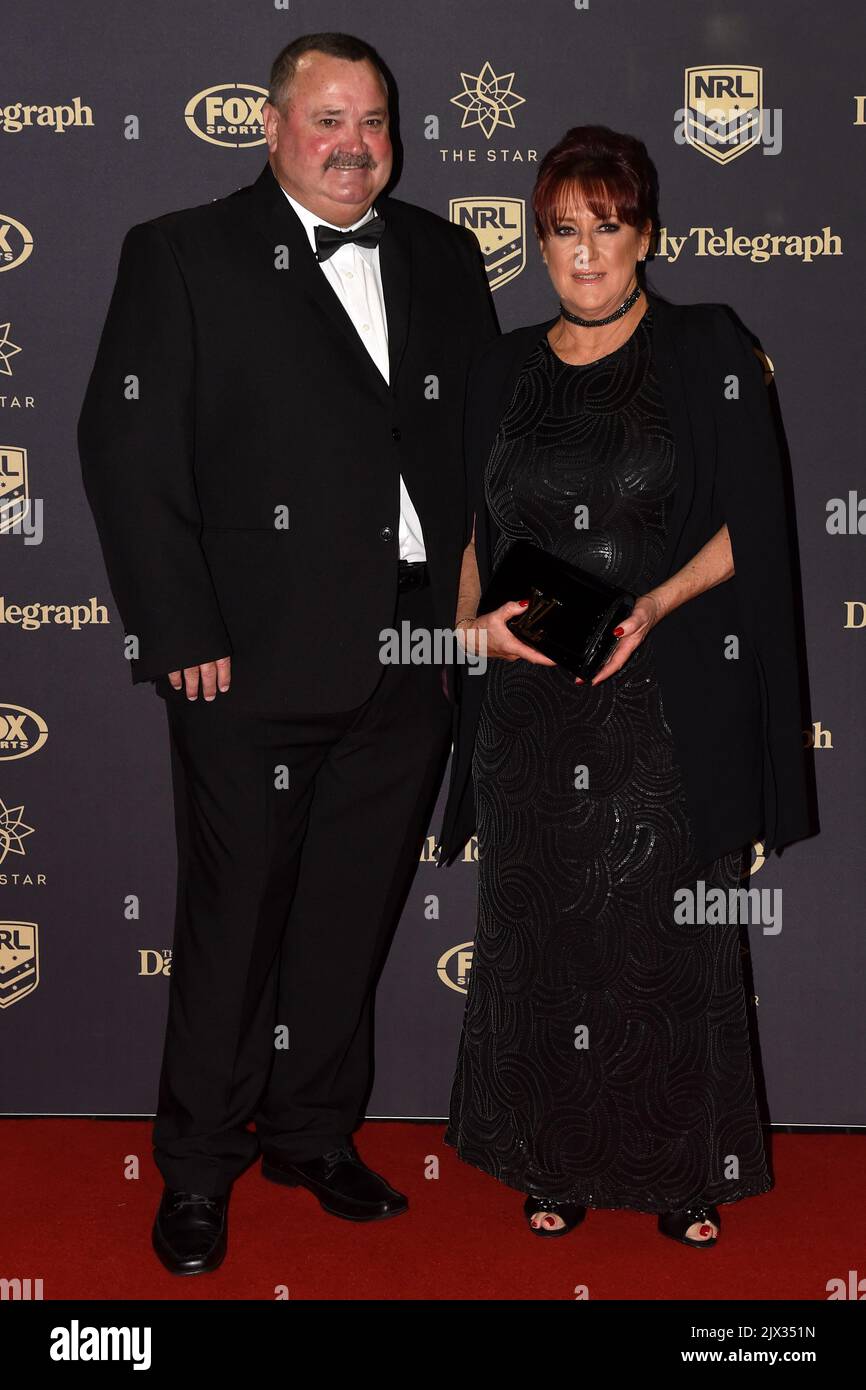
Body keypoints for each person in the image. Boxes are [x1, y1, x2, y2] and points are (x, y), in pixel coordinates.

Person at [78, 31, 498, 1274]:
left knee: (347, 916)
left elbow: (476, 444)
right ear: (270, 127)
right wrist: (179, 627)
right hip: (246, 660)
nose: (353, 144)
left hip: (412, 648)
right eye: (327, 119)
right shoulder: (182, 253)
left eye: (372, 120)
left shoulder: (440, 250)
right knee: (233, 921)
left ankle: (313, 1134)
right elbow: (125, 450)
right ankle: (198, 1169)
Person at [435, 125, 817, 1245]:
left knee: (663, 947)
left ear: (646, 234)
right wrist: (469, 631)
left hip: (659, 702)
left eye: (606, 227)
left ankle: (679, 1171)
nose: (584, 252)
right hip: (527, 717)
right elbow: (473, 526)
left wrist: (655, 604)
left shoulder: (706, 347)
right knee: (543, 943)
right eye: (561, 231)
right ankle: (549, 1162)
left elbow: (758, 524)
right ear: (536, 242)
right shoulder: (500, 368)